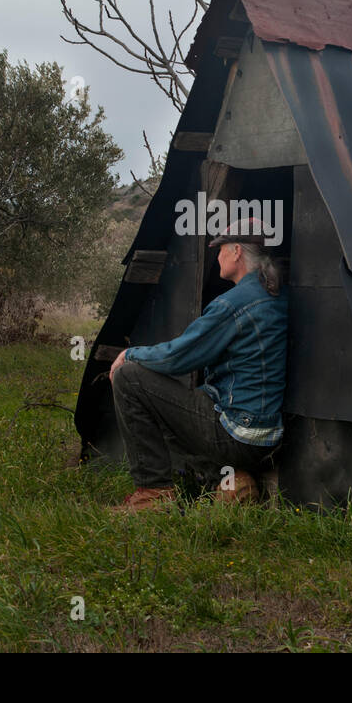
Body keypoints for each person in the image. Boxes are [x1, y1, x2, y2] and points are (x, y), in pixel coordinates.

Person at [107, 217, 288, 513]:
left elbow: (179, 357)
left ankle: (154, 495)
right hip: (265, 439)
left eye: (220, 248)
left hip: (236, 435)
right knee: (187, 401)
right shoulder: (277, 294)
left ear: (236, 252)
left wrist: (130, 355)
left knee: (131, 379)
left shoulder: (234, 303)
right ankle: (234, 480)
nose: (216, 256)